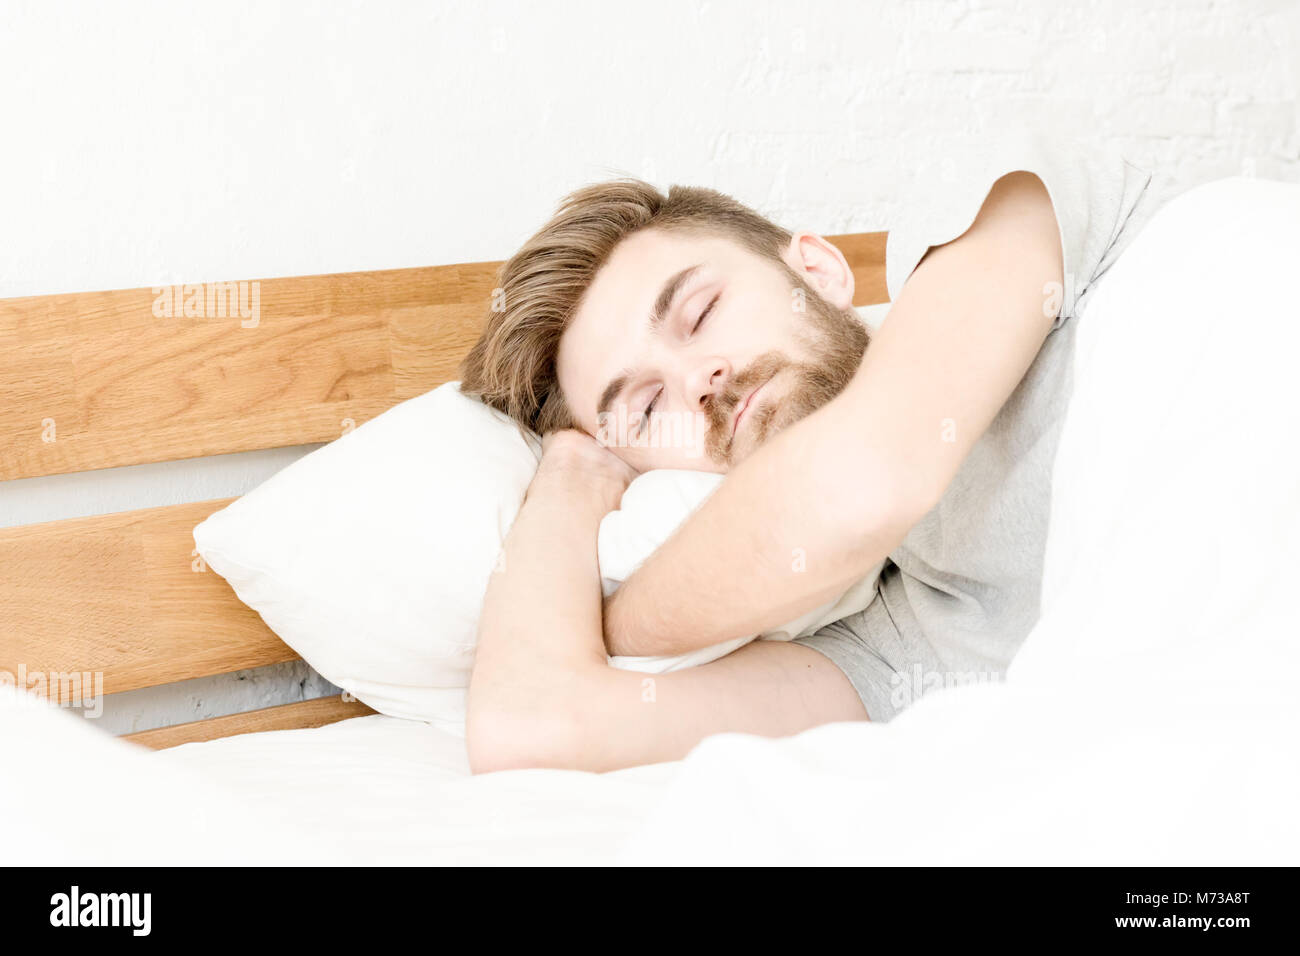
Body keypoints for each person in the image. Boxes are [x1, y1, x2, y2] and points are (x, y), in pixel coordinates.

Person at [458, 124, 1164, 773]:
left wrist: (618, 622)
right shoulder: (898, 650)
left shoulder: (996, 206)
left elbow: (861, 485)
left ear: (817, 272)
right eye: (647, 409)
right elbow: (531, 727)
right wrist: (574, 471)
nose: (699, 381)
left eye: (701, 312)